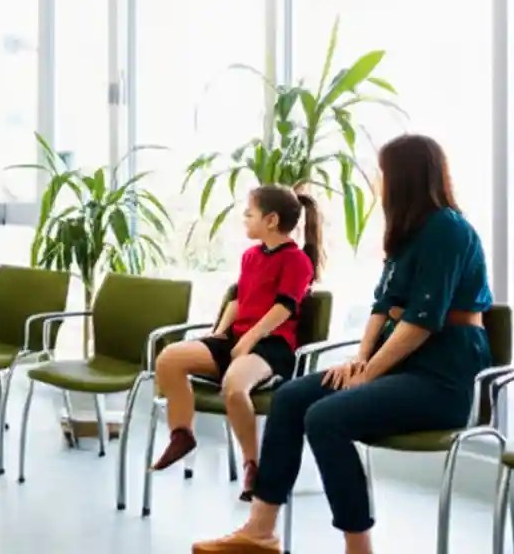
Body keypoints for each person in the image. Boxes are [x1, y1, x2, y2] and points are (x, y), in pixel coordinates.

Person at [193, 133, 493, 554]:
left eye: (382, 171)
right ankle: (260, 531)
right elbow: (383, 305)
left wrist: (368, 374)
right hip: (404, 366)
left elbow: (420, 323)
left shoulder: (447, 229)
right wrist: (359, 361)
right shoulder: (407, 233)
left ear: (405, 176)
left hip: (444, 378)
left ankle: (358, 547)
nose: (376, 179)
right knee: (292, 396)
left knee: (326, 418)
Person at [151, 184, 323, 501]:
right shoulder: (250, 255)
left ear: (271, 220)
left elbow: (284, 308)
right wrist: (220, 331)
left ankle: (252, 465)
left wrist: (249, 339)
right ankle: (182, 434)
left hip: (272, 346)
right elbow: (238, 299)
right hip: (238, 338)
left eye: (249, 214)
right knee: (169, 359)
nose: (244, 219)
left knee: (233, 386)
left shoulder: (297, 261)